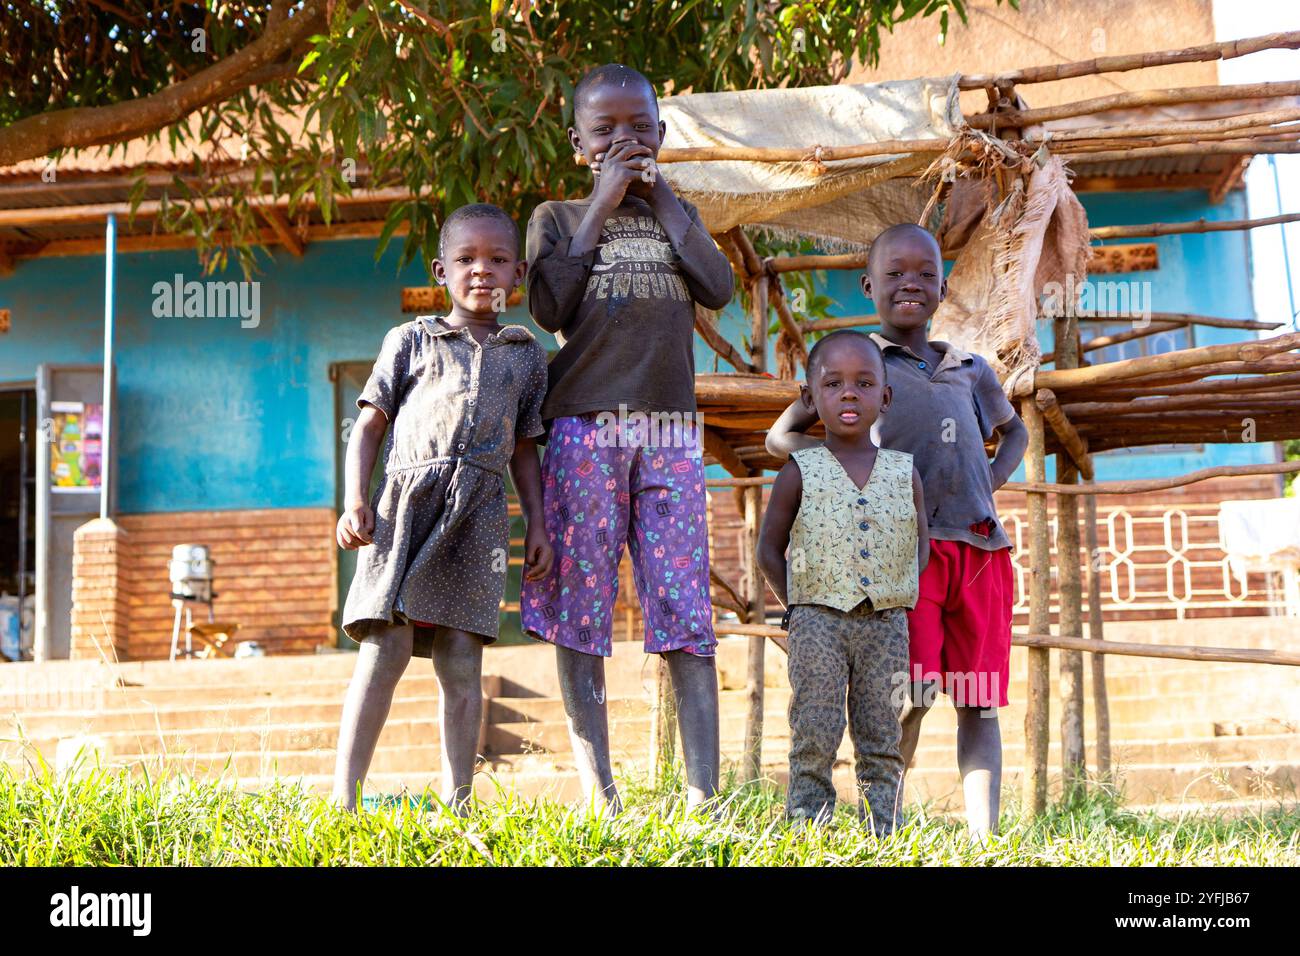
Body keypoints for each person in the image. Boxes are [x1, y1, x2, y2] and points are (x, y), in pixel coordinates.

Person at [519, 63, 734, 813]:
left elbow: (719, 287)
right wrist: (601, 205)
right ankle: (600, 794)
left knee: (683, 607)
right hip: (584, 430)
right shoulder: (553, 217)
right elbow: (550, 303)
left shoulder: (678, 216)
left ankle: (703, 795)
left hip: (671, 433)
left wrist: (663, 199)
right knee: (581, 609)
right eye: (605, 130)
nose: (624, 140)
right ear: (579, 143)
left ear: (662, 137)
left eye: (640, 127)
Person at [766, 223, 1028, 837]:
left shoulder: (971, 367)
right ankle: (884, 818)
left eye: (924, 273)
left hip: (982, 549)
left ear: (942, 287)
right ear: (868, 286)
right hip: (905, 558)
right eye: (894, 273)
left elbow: (1013, 431)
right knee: (909, 694)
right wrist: (840, 462)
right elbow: (781, 437)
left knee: (979, 698)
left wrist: (988, 480)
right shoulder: (859, 366)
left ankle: (982, 837)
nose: (910, 283)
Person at [332, 203, 553, 813]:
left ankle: (458, 803)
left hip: (479, 515)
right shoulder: (410, 340)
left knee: (461, 658)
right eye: (465, 259)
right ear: (440, 270)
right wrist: (356, 501)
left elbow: (526, 450)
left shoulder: (525, 355)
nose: (481, 270)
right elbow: (369, 427)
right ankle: (342, 799)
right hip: (405, 507)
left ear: (519, 272)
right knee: (386, 649)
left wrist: (538, 522)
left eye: (497, 259)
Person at [758, 330, 928, 833]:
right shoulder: (800, 469)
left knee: (881, 732)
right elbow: (770, 547)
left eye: (864, 383)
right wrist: (797, 606)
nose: (849, 393)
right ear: (811, 398)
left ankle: (884, 830)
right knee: (814, 727)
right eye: (833, 384)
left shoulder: (904, 471)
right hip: (816, 624)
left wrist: (898, 592)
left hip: (886, 624)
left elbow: (921, 540)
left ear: (885, 397)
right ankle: (809, 824)